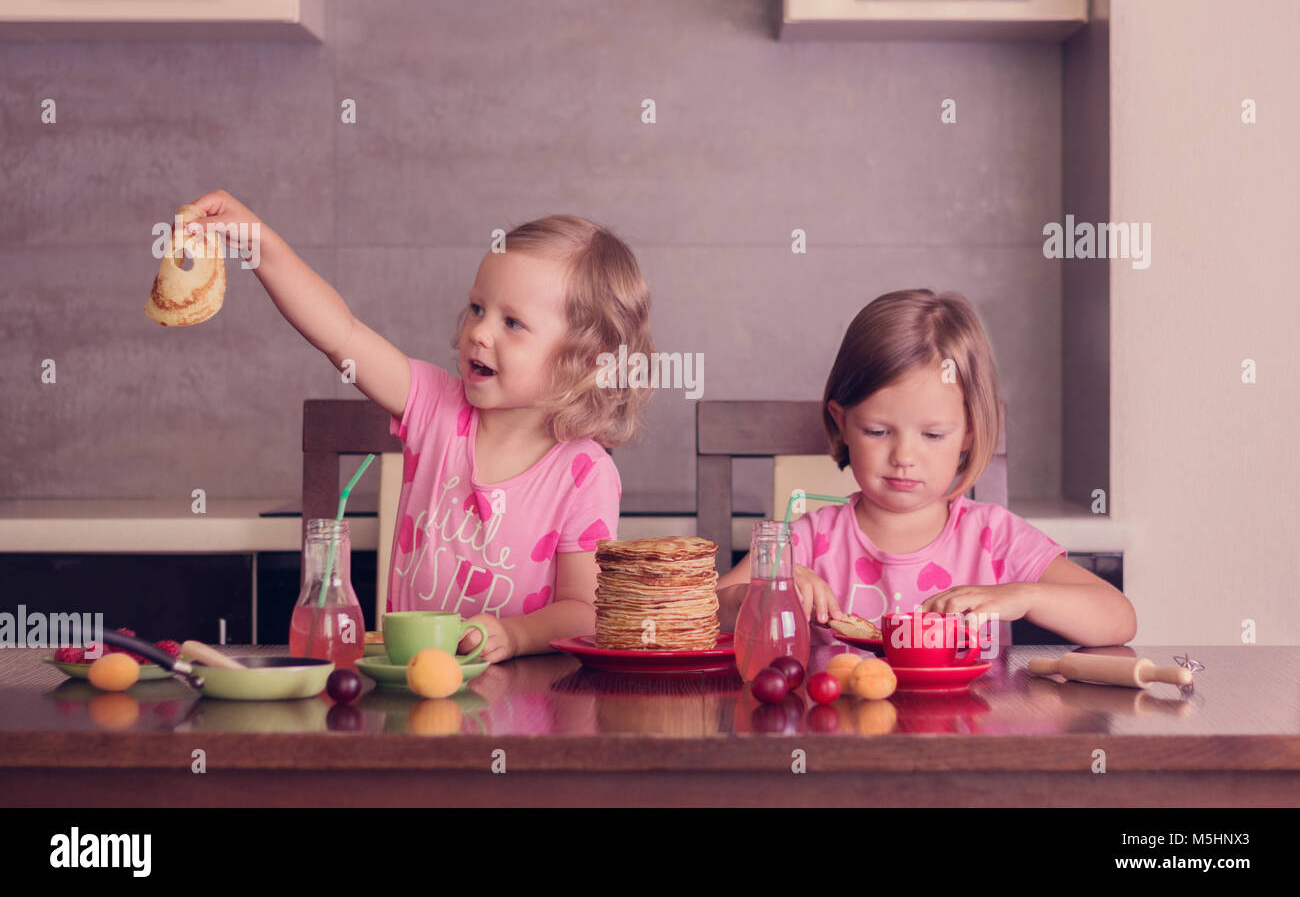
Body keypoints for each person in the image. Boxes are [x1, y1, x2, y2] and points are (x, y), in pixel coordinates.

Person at [183, 192, 653, 662]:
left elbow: (585, 610)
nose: (480, 332)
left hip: (523, 708)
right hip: (407, 695)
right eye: (476, 308)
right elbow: (340, 333)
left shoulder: (584, 473)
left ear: (586, 361)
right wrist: (258, 243)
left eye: (512, 322)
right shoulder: (436, 408)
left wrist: (514, 635)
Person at [717, 288, 1137, 649]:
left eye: (933, 435)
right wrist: (764, 593)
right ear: (842, 422)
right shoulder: (807, 541)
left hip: (970, 738)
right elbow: (703, 610)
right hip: (843, 737)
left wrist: (1024, 596)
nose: (904, 456)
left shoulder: (993, 537)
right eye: (878, 431)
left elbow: (1118, 618)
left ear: (969, 433)